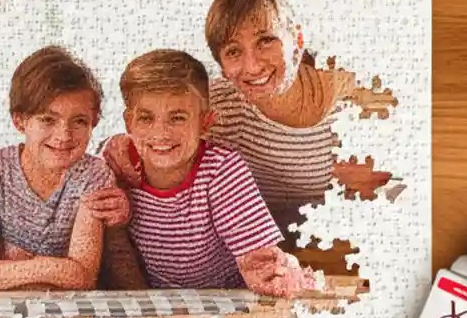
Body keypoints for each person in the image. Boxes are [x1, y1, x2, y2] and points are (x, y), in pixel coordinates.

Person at [106, 0, 358, 241]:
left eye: (266, 41)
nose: (252, 66)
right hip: (247, 251)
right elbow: (151, 124)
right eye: (233, 51)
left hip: (331, 252)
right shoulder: (219, 104)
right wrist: (118, 146)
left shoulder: (353, 98)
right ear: (222, 66)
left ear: (298, 40)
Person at [117, 49, 318, 296]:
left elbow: (257, 259)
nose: (161, 133)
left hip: (227, 300)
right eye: (146, 119)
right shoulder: (118, 167)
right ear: (129, 123)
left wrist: (268, 274)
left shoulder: (222, 171)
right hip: (158, 305)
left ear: (205, 122)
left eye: (177, 118)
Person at [0, 46, 125, 291]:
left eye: (79, 121)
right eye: (47, 119)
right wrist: (55, 268)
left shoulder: (93, 175)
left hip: (66, 315)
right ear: (20, 121)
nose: (63, 135)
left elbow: (82, 277)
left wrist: (9, 267)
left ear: (94, 122)